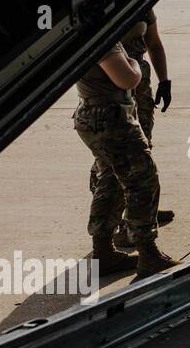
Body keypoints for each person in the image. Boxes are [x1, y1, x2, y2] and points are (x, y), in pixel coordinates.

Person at [74, 43, 178, 278]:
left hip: (99, 114)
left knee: (110, 181)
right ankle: (148, 253)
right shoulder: (101, 37)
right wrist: (134, 65)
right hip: (110, 117)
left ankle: (103, 252)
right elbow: (127, 79)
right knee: (142, 180)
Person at [115, 7, 174, 247]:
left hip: (140, 80)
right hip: (113, 83)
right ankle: (118, 220)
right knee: (117, 154)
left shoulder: (143, 2)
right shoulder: (102, 6)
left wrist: (165, 81)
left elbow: (154, 42)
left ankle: (142, 208)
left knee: (144, 142)